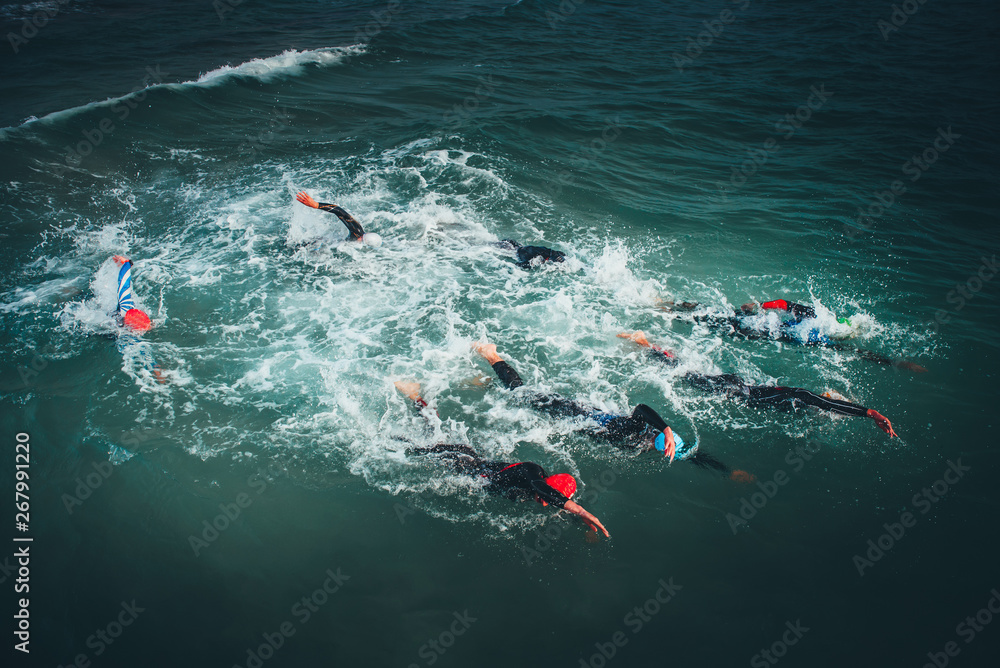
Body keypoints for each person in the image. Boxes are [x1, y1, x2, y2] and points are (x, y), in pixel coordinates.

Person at [472, 342, 748, 479]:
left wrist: (728, 471)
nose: (655, 442)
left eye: (659, 443)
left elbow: (692, 456)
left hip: (580, 418)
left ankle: (485, 383)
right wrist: (663, 427)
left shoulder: (652, 444)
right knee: (521, 394)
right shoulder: (639, 429)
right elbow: (641, 409)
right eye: (657, 438)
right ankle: (491, 355)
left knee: (521, 399)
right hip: (573, 413)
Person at [393, 380, 609, 537]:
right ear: (547, 487)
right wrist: (582, 510)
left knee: (431, 436)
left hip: (473, 459)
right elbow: (546, 493)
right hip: (463, 463)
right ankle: (410, 403)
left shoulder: (545, 490)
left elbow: (556, 501)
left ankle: (419, 401)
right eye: (546, 498)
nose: (544, 504)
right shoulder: (532, 474)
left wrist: (582, 522)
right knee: (415, 449)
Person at [618, 331, 898, 437]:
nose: (827, 405)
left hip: (740, 386)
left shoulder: (796, 397)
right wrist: (868, 413)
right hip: (733, 390)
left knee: (689, 373)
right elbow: (826, 403)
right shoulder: (802, 395)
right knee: (685, 376)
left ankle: (659, 349)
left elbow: (829, 404)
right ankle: (646, 345)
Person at [663, 299, 926, 372]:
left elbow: (781, 303)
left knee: (717, 313)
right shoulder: (823, 338)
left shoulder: (817, 315)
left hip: (761, 323)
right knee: (717, 321)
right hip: (761, 332)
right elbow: (859, 354)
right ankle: (670, 311)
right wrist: (894, 362)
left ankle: (668, 306)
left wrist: (760, 306)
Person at [111, 255, 165, 382]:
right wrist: (157, 372)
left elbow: (124, 284)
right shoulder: (128, 336)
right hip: (113, 329)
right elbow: (146, 354)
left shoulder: (127, 306)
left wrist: (127, 263)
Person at [294, 191, 382, 246]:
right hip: (327, 241)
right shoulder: (357, 232)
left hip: (334, 244)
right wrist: (316, 205)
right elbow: (339, 211)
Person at [494, 239, 567, 269]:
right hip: (512, 250)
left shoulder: (551, 252)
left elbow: (561, 254)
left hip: (518, 246)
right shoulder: (538, 257)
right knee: (487, 246)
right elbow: (521, 264)